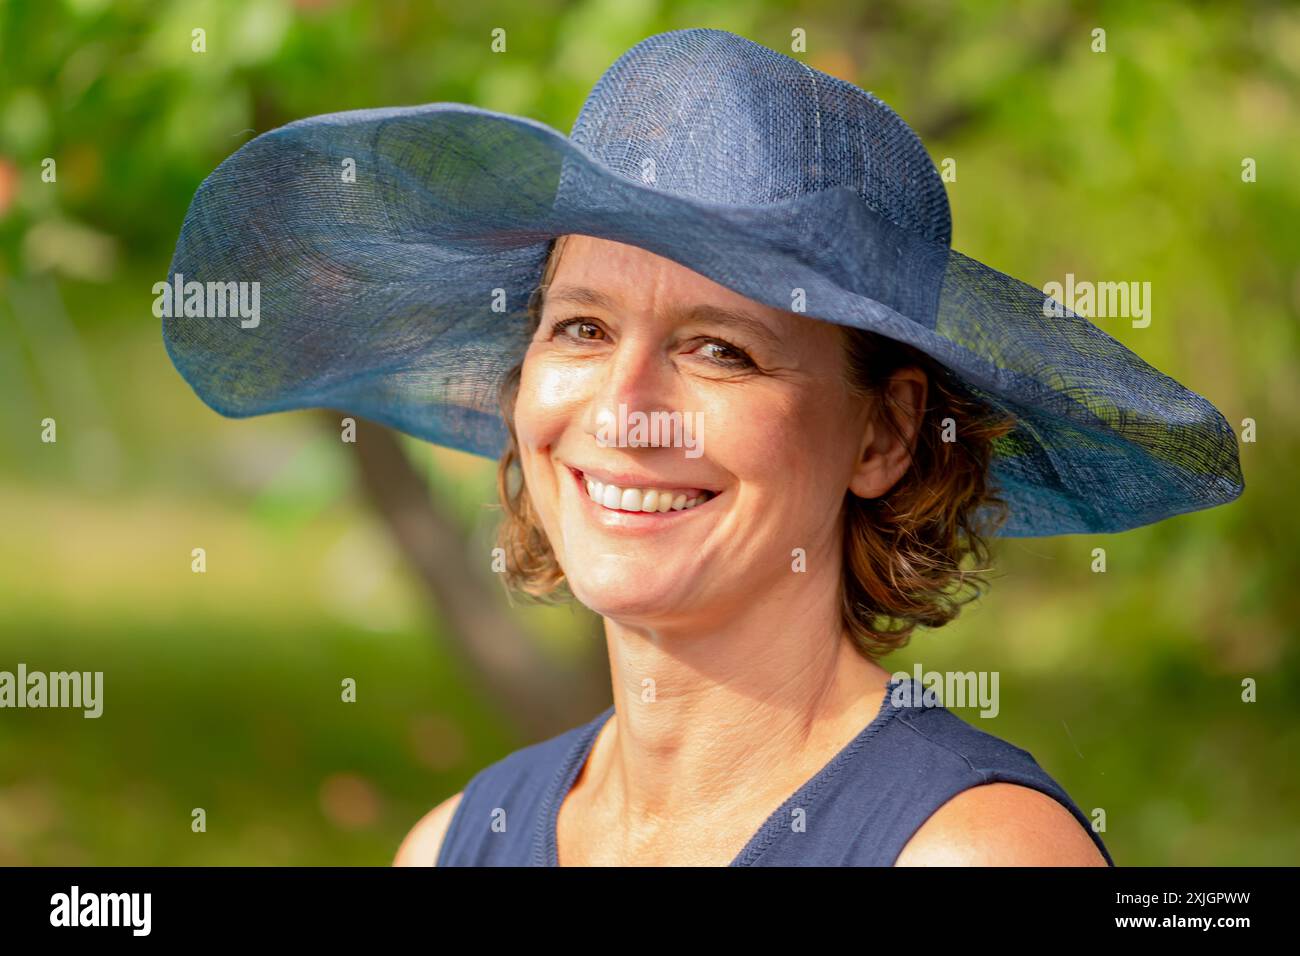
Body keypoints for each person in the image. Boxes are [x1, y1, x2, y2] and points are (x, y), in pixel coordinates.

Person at [162, 29, 1243, 866]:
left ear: (885, 431)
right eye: (581, 327)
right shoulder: (455, 842)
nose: (626, 406)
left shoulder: (965, 851)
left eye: (720, 349)